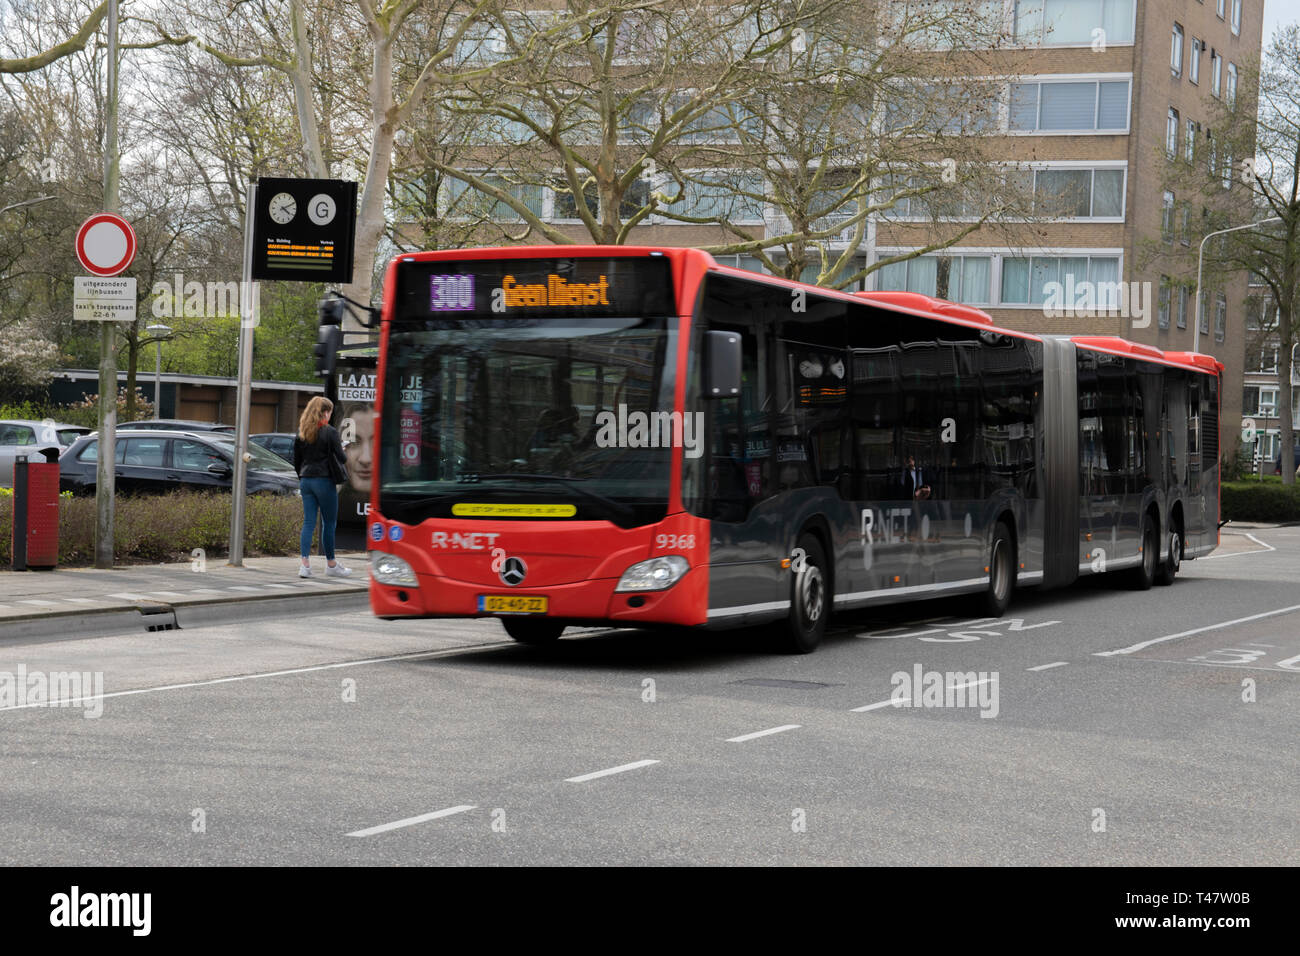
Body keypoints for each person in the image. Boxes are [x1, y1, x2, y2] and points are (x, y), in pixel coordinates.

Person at [292, 396, 352, 579]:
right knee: (329, 523)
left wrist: (303, 476)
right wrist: (343, 449)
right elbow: (342, 459)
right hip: (324, 481)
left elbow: (296, 461)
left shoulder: (302, 432)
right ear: (325, 412)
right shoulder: (330, 432)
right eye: (330, 412)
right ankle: (331, 565)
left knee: (309, 523)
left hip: (306, 480)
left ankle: (305, 566)